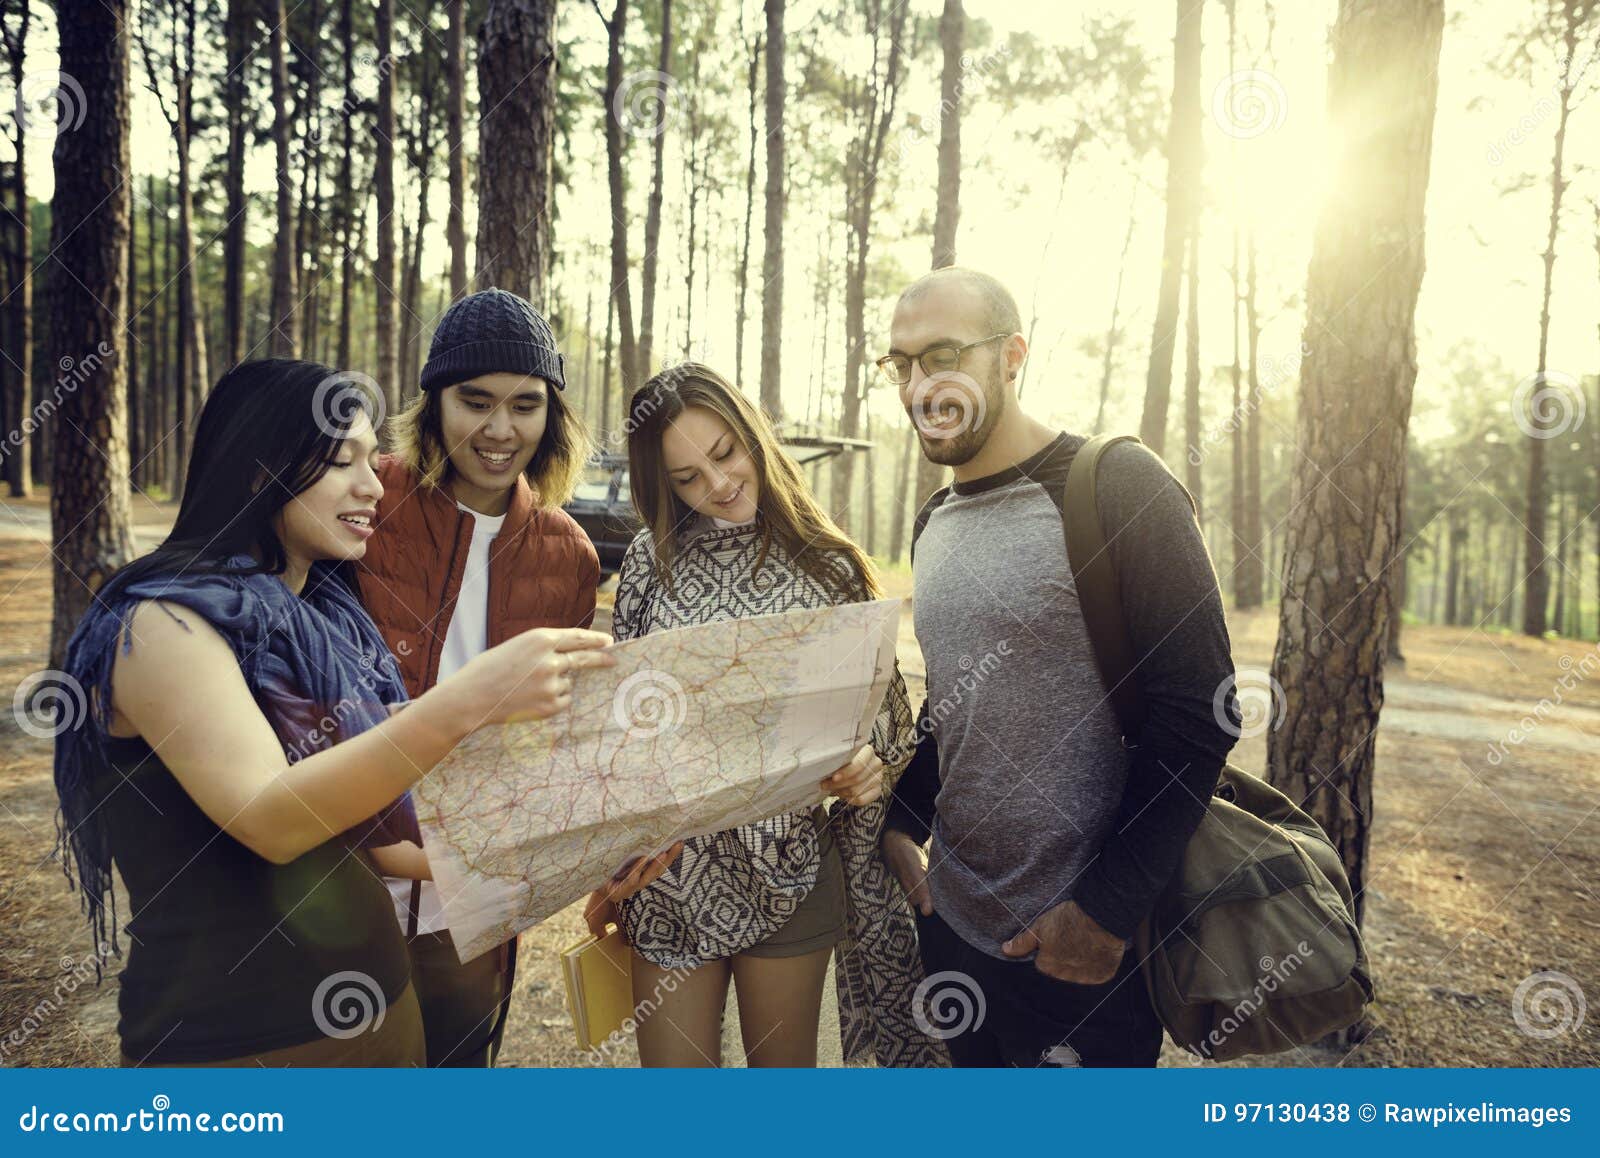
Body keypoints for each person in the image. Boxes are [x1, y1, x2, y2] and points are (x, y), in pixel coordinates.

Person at [51, 358, 615, 1067]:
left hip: (380, 1032)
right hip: (239, 1054)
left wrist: (600, 831)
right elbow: (273, 819)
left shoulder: (319, 624)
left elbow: (394, 845)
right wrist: (468, 701)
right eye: (341, 462)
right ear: (263, 473)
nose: (373, 484)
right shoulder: (164, 625)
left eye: (369, 459)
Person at [878, 267, 1241, 1068]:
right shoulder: (934, 522)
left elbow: (1201, 714)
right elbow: (956, 704)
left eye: (942, 355)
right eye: (899, 364)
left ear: (1011, 356)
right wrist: (903, 822)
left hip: (1080, 951)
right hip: (956, 929)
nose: (917, 385)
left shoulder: (1118, 485)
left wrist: (1103, 916)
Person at [588, 363, 945, 1068]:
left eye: (724, 454)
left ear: (753, 434)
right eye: (687, 477)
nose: (717, 485)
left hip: (790, 871)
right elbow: (616, 725)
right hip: (672, 880)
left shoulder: (828, 564)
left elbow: (888, 722)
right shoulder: (646, 564)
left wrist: (871, 767)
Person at [356, 288, 674, 1067]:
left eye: (525, 405)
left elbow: (552, 734)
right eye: (475, 401)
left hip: (475, 892)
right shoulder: (368, 499)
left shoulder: (568, 555)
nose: (500, 431)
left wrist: (609, 839)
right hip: (343, 878)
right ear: (435, 404)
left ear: (551, 415)